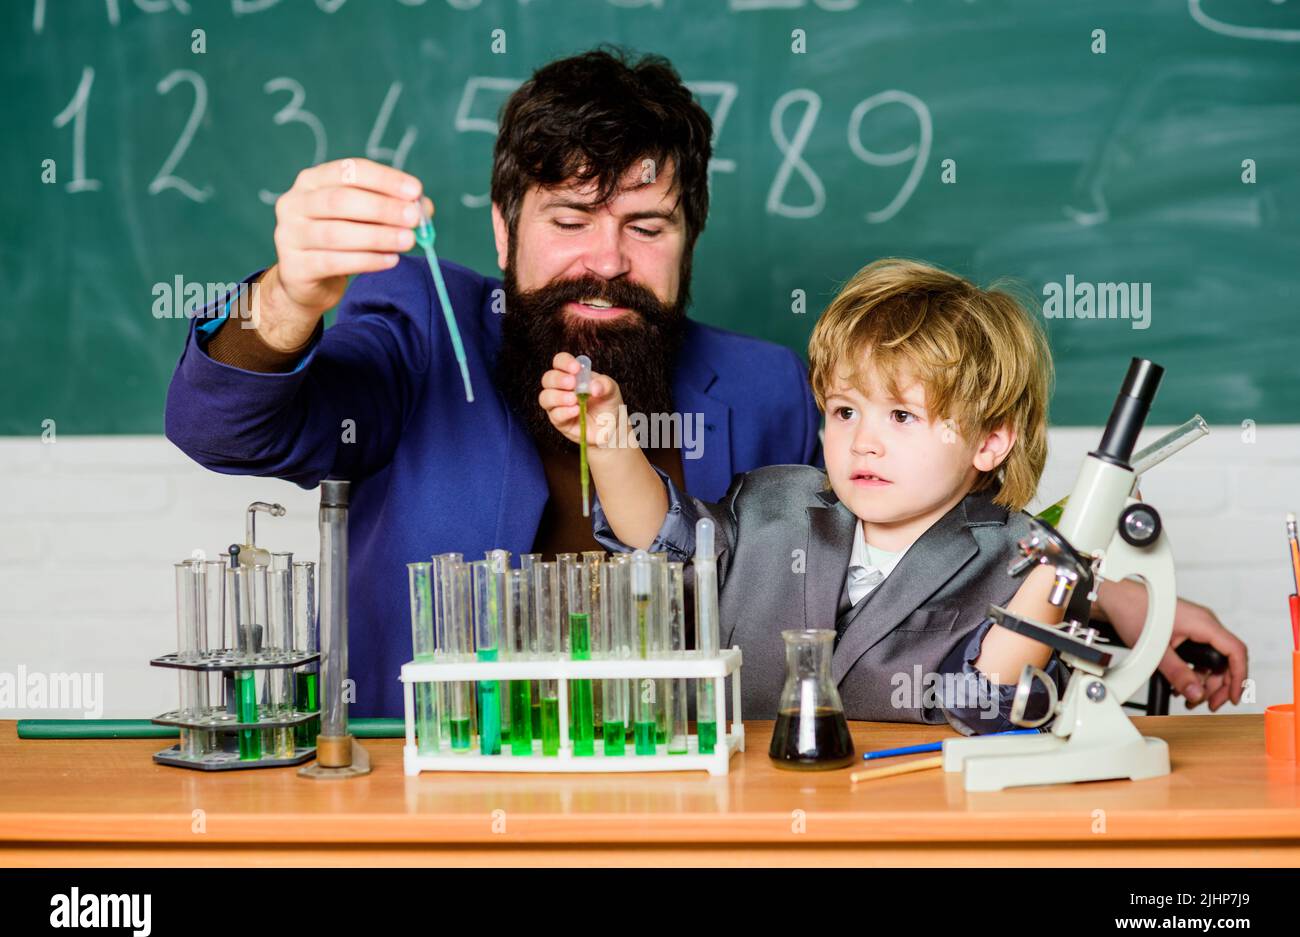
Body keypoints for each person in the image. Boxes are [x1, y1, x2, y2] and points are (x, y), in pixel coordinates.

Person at [164, 48, 820, 718]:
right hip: (432, 802)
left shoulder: (768, 388)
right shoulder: (425, 326)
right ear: (504, 233)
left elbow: (843, 605)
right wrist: (288, 298)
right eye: (569, 221)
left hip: (691, 802)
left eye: (647, 227)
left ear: (690, 239)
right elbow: (220, 430)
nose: (607, 261)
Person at [541, 258, 1250, 728]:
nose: (864, 441)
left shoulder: (1014, 561)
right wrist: (608, 437)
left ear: (989, 442)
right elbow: (657, 534)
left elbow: (984, 701)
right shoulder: (772, 503)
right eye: (845, 410)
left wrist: (1068, 580)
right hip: (744, 818)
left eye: (902, 416)